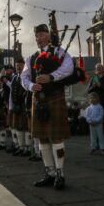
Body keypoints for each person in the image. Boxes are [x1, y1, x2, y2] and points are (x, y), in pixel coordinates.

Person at [21, 23, 74, 190]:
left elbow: (68, 69)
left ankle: (60, 174)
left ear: (49, 36)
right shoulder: (31, 57)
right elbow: (24, 76)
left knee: (55, 137)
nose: (38, 38)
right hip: (38, 99)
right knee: (42, 138)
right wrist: (30, 86)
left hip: (54, 97)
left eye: (42, 35)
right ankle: (49, 173)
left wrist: (51, 77)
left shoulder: (60, 53)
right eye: (36, 36)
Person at [87, 63, 104, 149]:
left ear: (103, 69)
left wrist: (100, 86)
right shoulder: (94, 78)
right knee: (96, 124)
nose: (98, 69)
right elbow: (88, 91)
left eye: (100, 68)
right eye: (97, 68)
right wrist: (94, 86)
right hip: (95, 104)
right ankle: (97, 144)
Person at [9, 57, 30, 155]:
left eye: (20, 65)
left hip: (24, 105)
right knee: (18, 127)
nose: (18, 67)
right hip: (16, 105)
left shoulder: (27, 77)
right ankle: (21, 147)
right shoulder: (14, 77)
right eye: (17, 65)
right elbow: (11, 93)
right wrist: (11, 106)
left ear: (24, 65)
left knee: (26, 127)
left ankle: (28, 149)